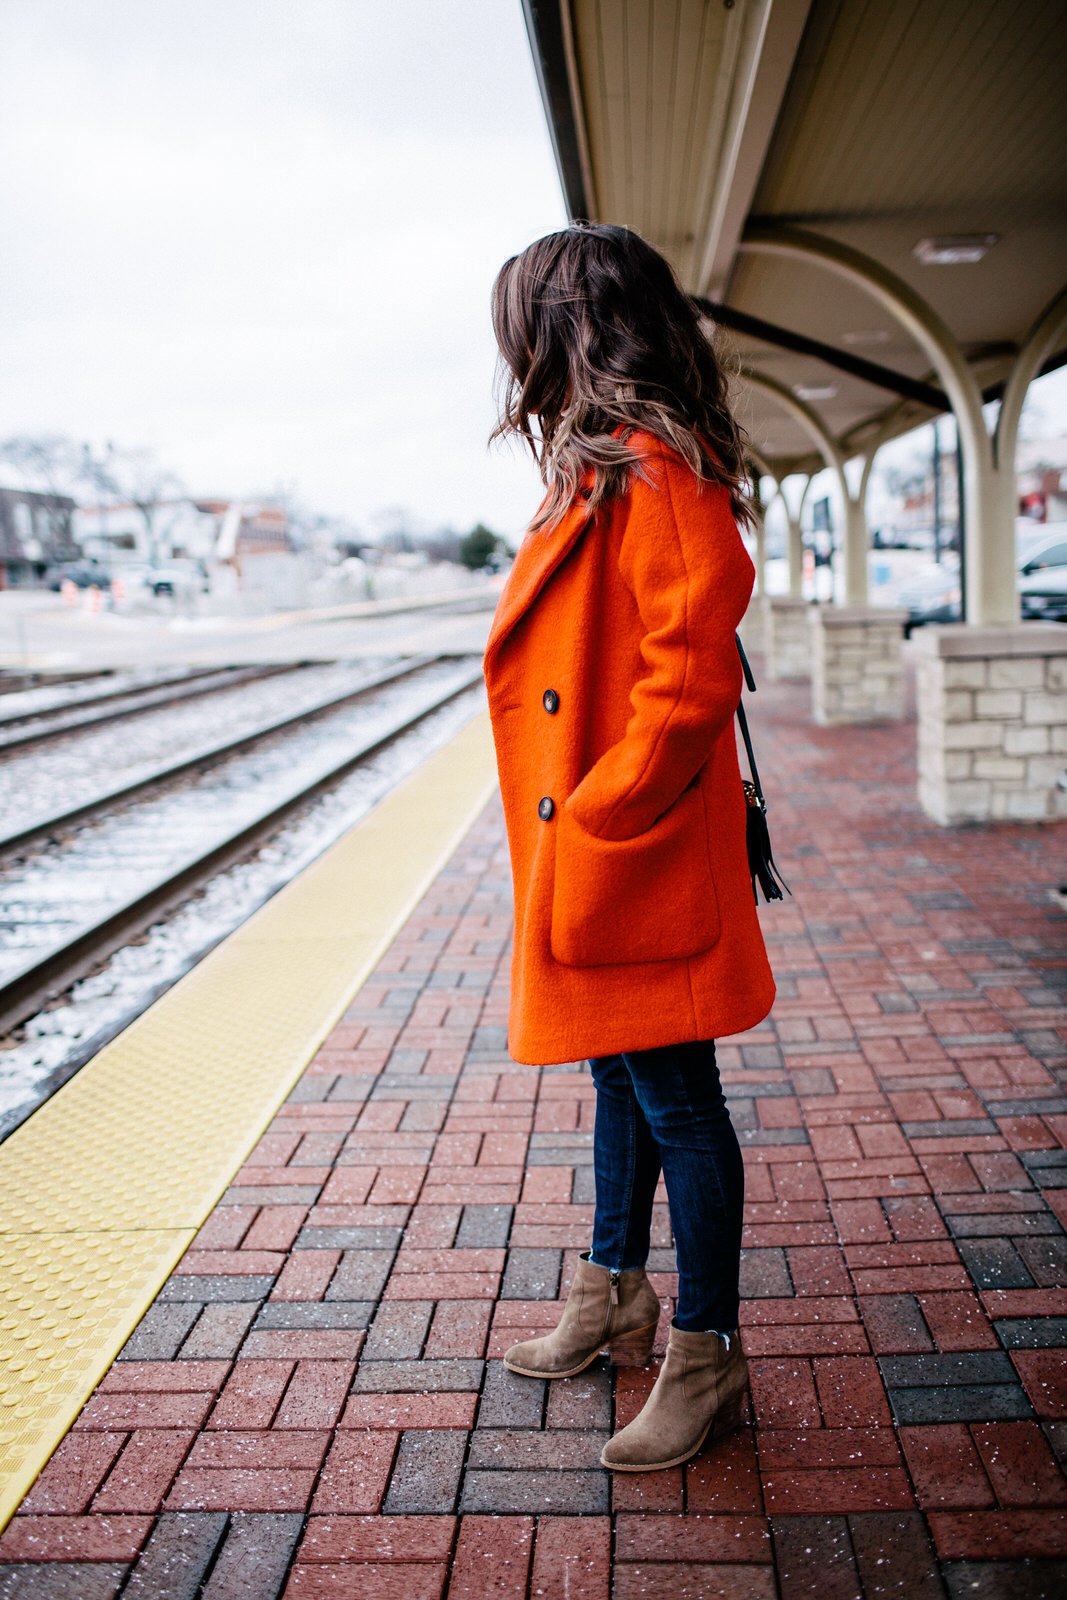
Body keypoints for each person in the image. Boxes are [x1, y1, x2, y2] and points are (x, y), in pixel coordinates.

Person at [482, 222, 777, 1473]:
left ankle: (704, 1352)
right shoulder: (602, 465)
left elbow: (692, 662)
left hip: (629, 844)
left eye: (524, 329)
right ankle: (614, 1294)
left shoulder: (656, 467)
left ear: (571, 328)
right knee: (618, 1076)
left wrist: (605, 811)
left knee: (678, 1100)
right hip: (603, 844)